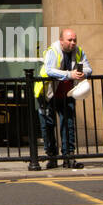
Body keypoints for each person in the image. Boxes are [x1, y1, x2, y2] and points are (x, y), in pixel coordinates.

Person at [34, 28, 92, 169]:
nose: (73, 43)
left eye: (74, 40)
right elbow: (49, 70)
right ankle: (52, 157)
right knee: (48, 126)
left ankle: (68, 157)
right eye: (69, 40)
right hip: (47, 94)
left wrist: (83, 73)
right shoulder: (53, 51)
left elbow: (89, 68)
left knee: (68, 124)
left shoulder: (78, 51)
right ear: (61, 41)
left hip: (67, 94)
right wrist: (69, 75)